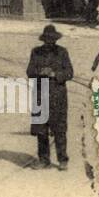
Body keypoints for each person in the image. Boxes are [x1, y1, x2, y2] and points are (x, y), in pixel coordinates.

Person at [26, 24, 73, 169]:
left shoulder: (62, 52)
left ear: (56, 40)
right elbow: (29, 71)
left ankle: (62, 160)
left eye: (52, 40)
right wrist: (40, 71)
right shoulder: (36, 52)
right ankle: (43, 160)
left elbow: (70, 73)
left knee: (60, 129)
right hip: (40, 94)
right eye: (47, 40)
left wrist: (54, 74)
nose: (49, 43)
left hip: (58, 96)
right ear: (43, 40)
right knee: (41, 129)